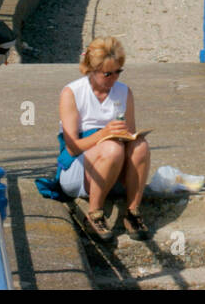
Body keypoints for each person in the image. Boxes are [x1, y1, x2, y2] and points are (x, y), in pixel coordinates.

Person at [55, 36, 152, 241]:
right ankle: (95, 214)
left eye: (118, 71)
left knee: (140, 146)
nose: (114, 78)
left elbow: (130, 135)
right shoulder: (72, 92)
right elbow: (72, 148)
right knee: (112, 148)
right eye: (108, 74)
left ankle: (132, 212)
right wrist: (104, 134)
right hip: (78, 169)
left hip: (112, 164)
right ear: (92, 69)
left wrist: (130, 137)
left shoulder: (124, 92)